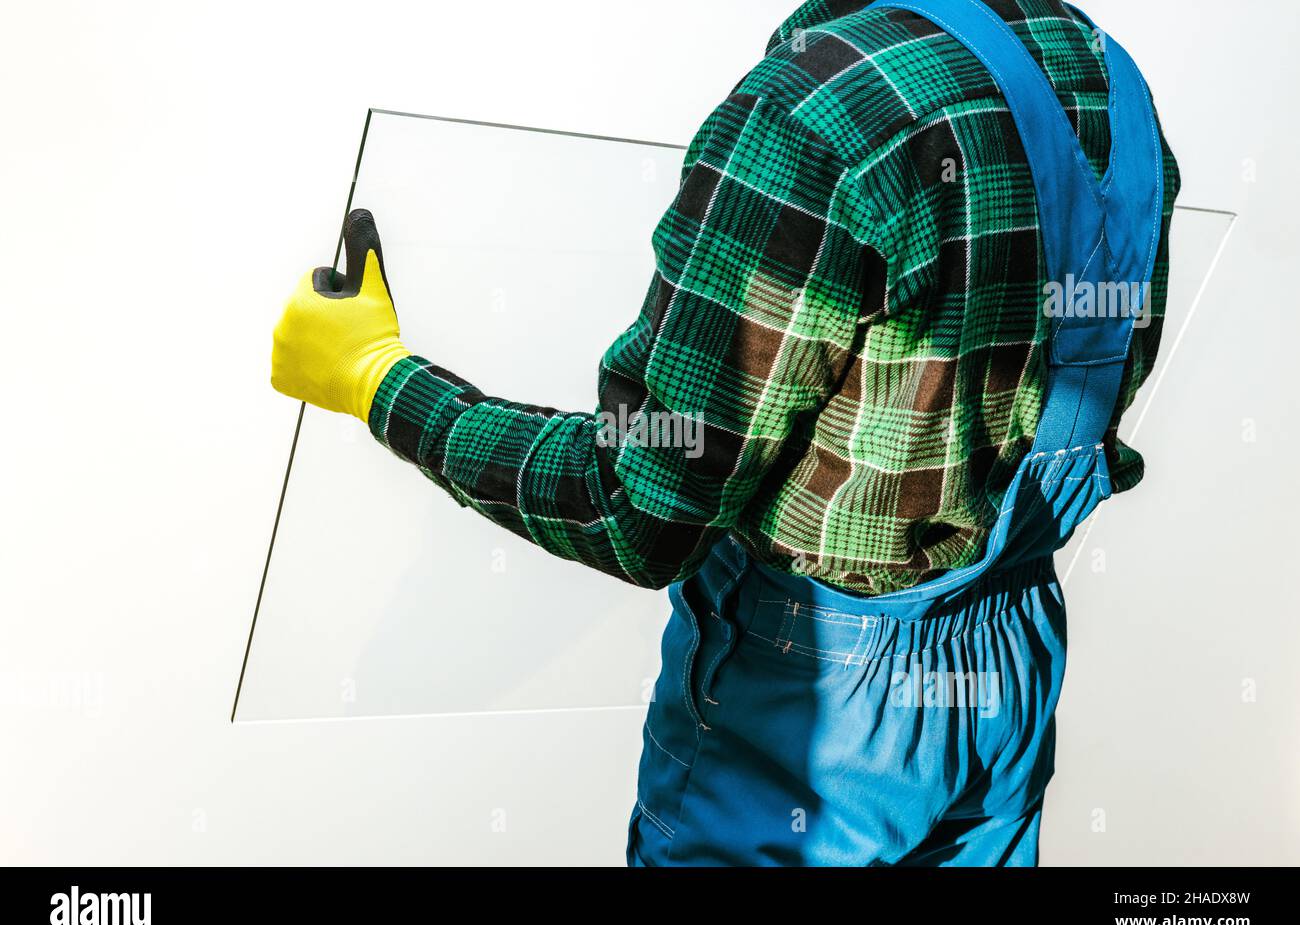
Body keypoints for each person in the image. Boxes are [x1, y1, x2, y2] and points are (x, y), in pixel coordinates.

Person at [271, 0, 1178, 866]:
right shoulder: (1108, 82)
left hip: (815, 713)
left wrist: (375, 379)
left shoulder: (821, 112)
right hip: (1008, 671)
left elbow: (636, 511)